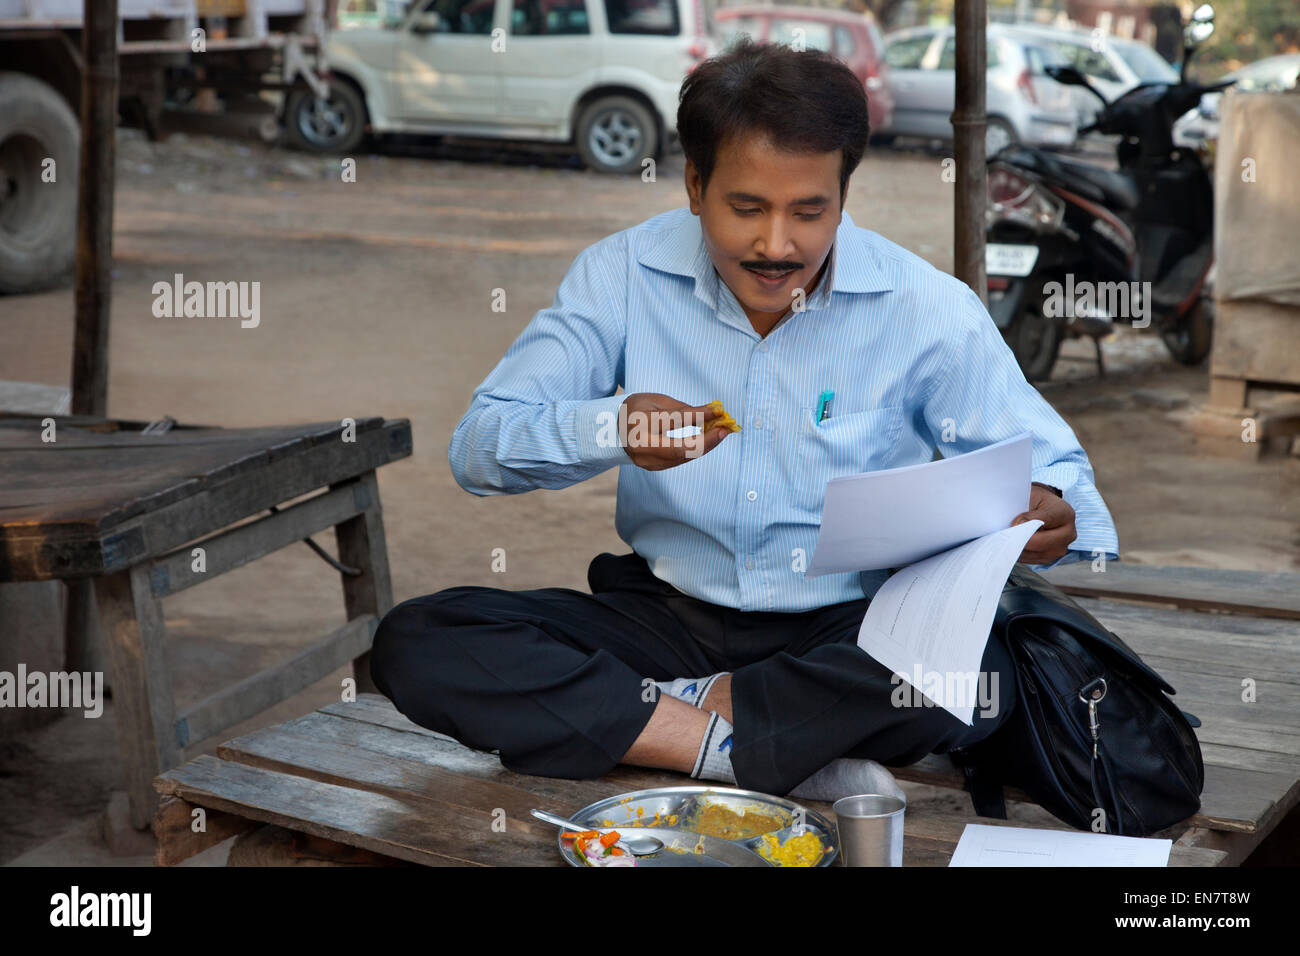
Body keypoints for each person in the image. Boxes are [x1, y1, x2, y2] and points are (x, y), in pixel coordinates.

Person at [369, 38, 1119, 801]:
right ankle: (758, 748)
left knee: (976, 673)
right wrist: (613, 428)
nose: (775, 245)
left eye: (809, 211)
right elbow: (479, 446)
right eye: (747, 208)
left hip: (847, 631)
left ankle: (665, 723)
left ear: (844, 194)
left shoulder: (925, 307)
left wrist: (1049, 507)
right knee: (418, 640)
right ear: (695, 185)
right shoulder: (621, 275)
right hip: (662, 622)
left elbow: (1063, 484)